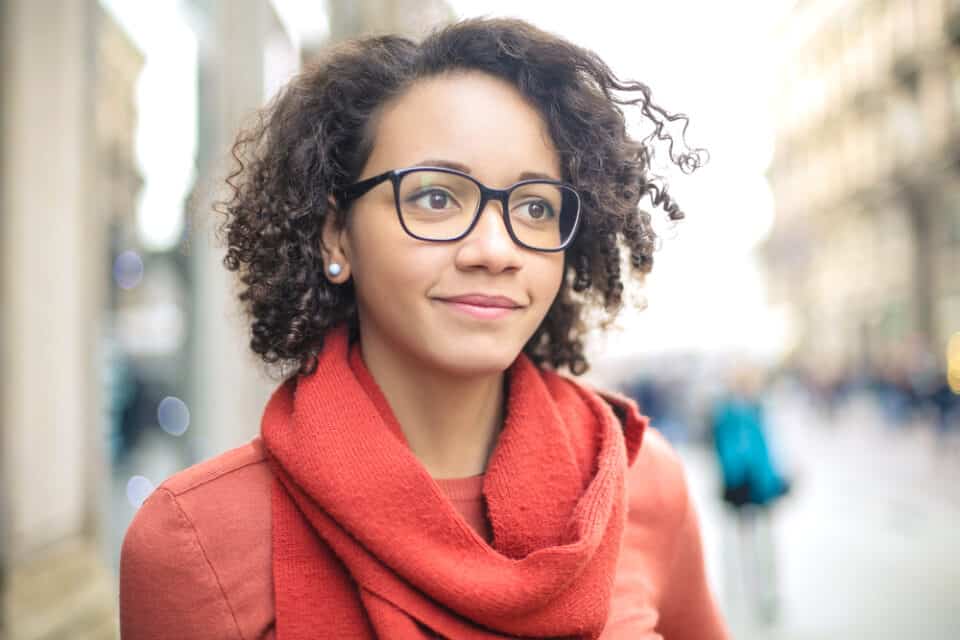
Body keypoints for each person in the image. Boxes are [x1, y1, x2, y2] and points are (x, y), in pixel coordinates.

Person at [119, 17, 727, 640]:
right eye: (436, 198)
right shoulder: (197, 540)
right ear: (337, 235)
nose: (495, 250)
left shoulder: (638, 480)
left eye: (535, 207)